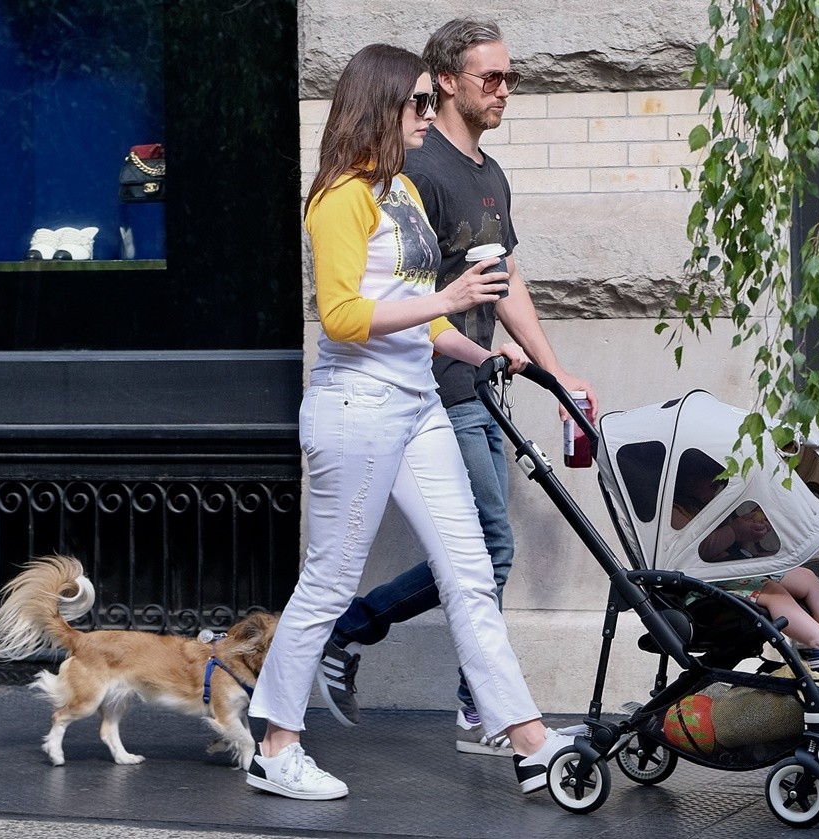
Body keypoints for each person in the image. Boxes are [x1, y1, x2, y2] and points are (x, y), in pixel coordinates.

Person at [245, 43, 573, 802]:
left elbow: (416, 317)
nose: (430, 114)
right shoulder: (339, 197)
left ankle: (524, 736)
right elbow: (344, 315)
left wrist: (482, 353)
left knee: (469, 572)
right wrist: (450, 302)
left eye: (432, 100)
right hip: (355, 408)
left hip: (417, 403)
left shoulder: (401, 192)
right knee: (327, 582)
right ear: (380, 105)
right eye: (419, 102)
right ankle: (276, 746)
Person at [317, 18, 596, 758]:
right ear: (445, 81)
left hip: (472, 378)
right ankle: (460, 693)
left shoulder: (488, 175)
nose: (506, 90)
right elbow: (382, 292)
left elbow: (504, 281)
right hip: (427, 383)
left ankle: (380, 646)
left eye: (511, 77)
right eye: (491, 78)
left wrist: (554, 367)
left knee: (479, 550)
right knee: (486, 547)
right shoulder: (418, 167)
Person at [671, 451, 819, 672]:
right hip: (703, 589)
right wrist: (734, 530)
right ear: (688, 480)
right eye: (711, 481)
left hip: (732, 576)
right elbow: (700, 549)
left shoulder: (712, 507)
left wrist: (750, 534)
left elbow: (735, 550)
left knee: (806, 578)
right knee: (772, 591)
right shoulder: (678, 512)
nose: (718, 486)